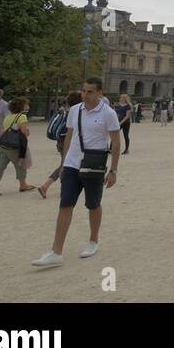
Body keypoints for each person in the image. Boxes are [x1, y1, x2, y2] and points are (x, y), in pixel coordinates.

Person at [31, 77, 121, 267]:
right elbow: (69, 136)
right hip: (72, 164)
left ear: (99, 93)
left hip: (94, 165)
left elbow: (116, 142)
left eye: (89, 91)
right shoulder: (74, 110)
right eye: (83, 91)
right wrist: (63, 162)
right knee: (65, 204)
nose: (85, 95)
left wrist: (113, 170)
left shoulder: (108, 113)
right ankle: (56, 251)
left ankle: (93, 240)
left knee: (93, 204)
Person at [0, 97, 37, 197]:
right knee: (20, 165)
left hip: (3, 145)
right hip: (14, 147)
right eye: (26, 104)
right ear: (22, 106)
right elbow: (23, 132)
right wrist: (27, 132)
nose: (28, 106)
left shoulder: (8, 116)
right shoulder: (22, 117)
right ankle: (23, 185)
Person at [39, 91, 82, 199]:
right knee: (66, 165)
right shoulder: (75, 112)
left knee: (66, 163)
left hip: (60, 140)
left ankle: (60, 186)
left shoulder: (64, 110)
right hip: (68, 141)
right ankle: (47, 185)